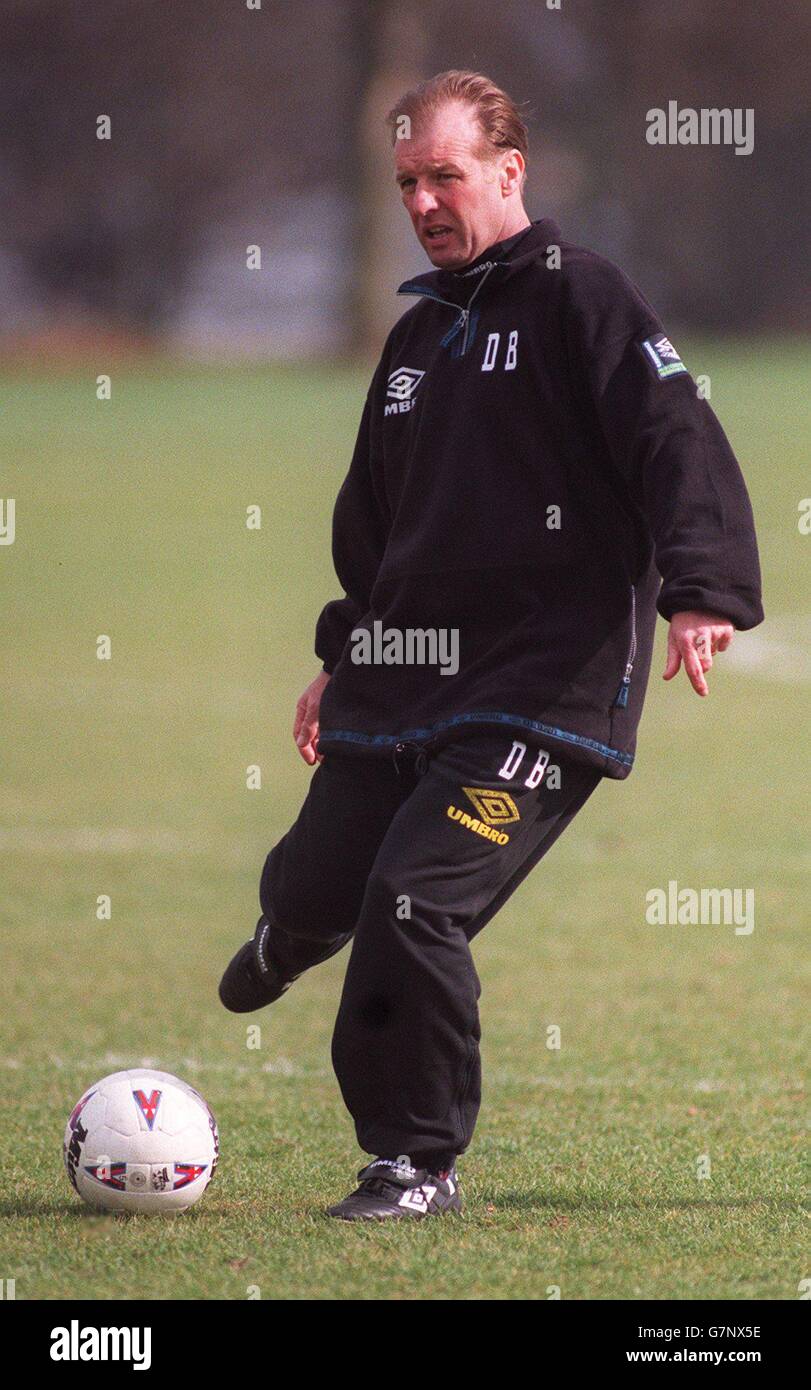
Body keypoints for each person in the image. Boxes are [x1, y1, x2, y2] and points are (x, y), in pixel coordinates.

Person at [219, 70, 763, 1221]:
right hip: (404, 674)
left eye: (445, 176)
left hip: (539, 686)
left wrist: (702, 590)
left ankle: (413, 1162)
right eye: (405, 182)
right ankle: (291, 932)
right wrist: (343, 653)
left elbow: (674, 433)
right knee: (315, 883)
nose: (422, 201)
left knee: (414, 902)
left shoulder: (582, 299)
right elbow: (375, 526)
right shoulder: (417, 338)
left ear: (509, 172)